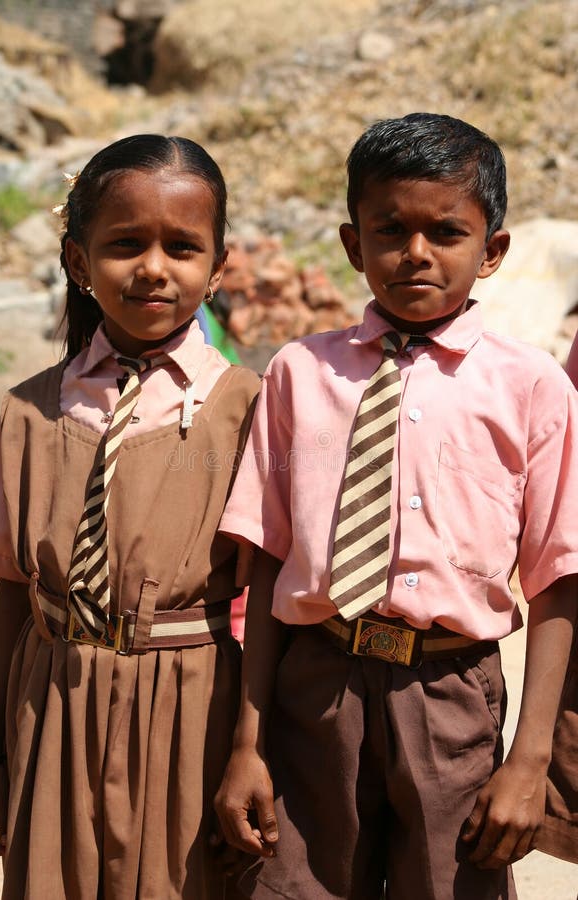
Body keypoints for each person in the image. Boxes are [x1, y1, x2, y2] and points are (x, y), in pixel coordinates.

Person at [214, 113, 578, 899]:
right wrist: (249, 742)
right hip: (316, 692)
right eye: (391, 229)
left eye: (446, 231)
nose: (416, 252)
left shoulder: (534, 386)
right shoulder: (298, 374)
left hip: (449, 697)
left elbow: (557, 579)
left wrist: (530, 760)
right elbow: (271, 565)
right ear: (354, 245)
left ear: (493, 251)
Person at [0, 133, 259, 898]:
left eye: (182, 247)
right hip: (52, 705)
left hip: (190, 708)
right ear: (78, 261)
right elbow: (13, 591)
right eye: (126, 244)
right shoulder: (31, 412)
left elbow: (264, 601)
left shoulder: (247, 410)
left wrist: (250, 748)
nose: (154, 268)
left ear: (218, 266)